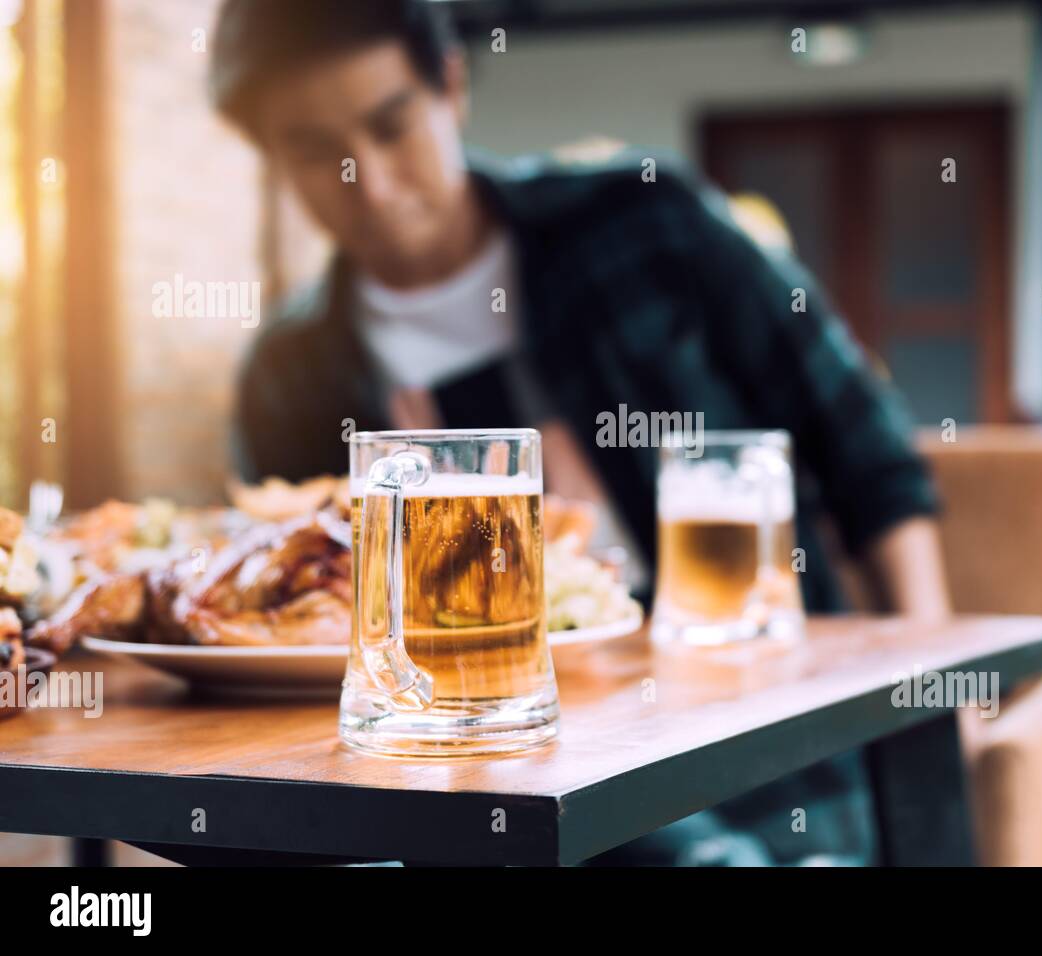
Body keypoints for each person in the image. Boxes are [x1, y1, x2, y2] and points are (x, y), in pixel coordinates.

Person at [210, 0, 951, 865]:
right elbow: (308, 633)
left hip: (748, 744)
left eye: (390, 125)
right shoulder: (287, 375)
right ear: (270, 158)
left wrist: (929, 708)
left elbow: (868, 453)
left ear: (450, 84)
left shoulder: (647, 223)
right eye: (313, 151)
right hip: (485, 781)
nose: (367, 183)